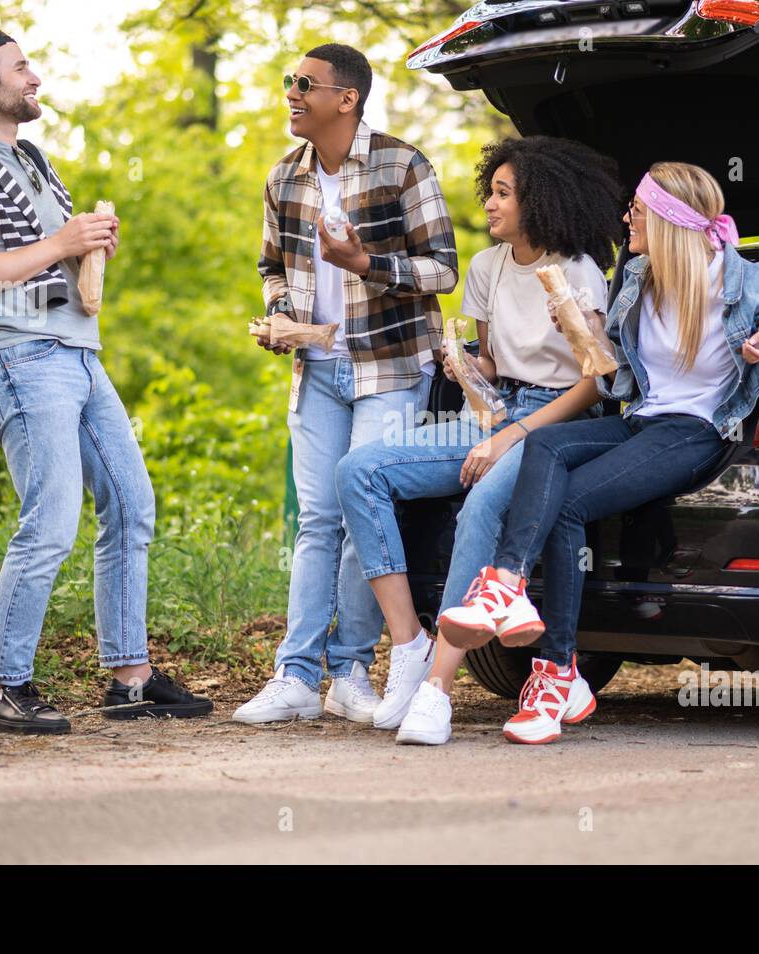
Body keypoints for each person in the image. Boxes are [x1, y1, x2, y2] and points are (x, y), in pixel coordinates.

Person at [439, 160, 759, 744]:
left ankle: (555, 674)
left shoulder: (740, 278)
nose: (625, 217)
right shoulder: (637, 276)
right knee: (547, 442)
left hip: (697, 430)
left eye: (636, 208)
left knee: (570, 506)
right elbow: (616, 373)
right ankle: (508, 588)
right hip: (643, 418)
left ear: (667, 218)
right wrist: (582, 331)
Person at [0, 26, 211, 734]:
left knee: (131, 504)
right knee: (50, 521)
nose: (36, 77)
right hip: (21, 356)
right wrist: (60, 243)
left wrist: (89, 248)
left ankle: (130, 679)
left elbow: (49, 265)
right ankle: (2, 688)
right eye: (20, 68)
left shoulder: (34, 161)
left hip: (77, 353)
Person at [335, 137, 625, 744]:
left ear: (538, 202)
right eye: (489, 191)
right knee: (360, 471)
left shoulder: (577, 274)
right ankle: (411, 644)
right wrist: (464, 365)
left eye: (503, 193)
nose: (490, 204)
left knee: (479, 512)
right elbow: (494, 364)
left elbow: (596, 385)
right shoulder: (488, 266)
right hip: (498, 411)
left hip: (556, 424)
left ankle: (436, 690)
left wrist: (509, 437)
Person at [234, 44, 458, 724]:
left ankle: (352, 673)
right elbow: (271, 267)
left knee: (365, 522)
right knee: (318, 523)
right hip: (318, 371)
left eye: (306, 84)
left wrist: (366, 262)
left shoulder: (402, 163)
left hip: (390, 367)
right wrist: (279, 316)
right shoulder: (285, 177)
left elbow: (443, 270)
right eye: (288, 82)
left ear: (347, 98)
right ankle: (296, 677)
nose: (292, 93)